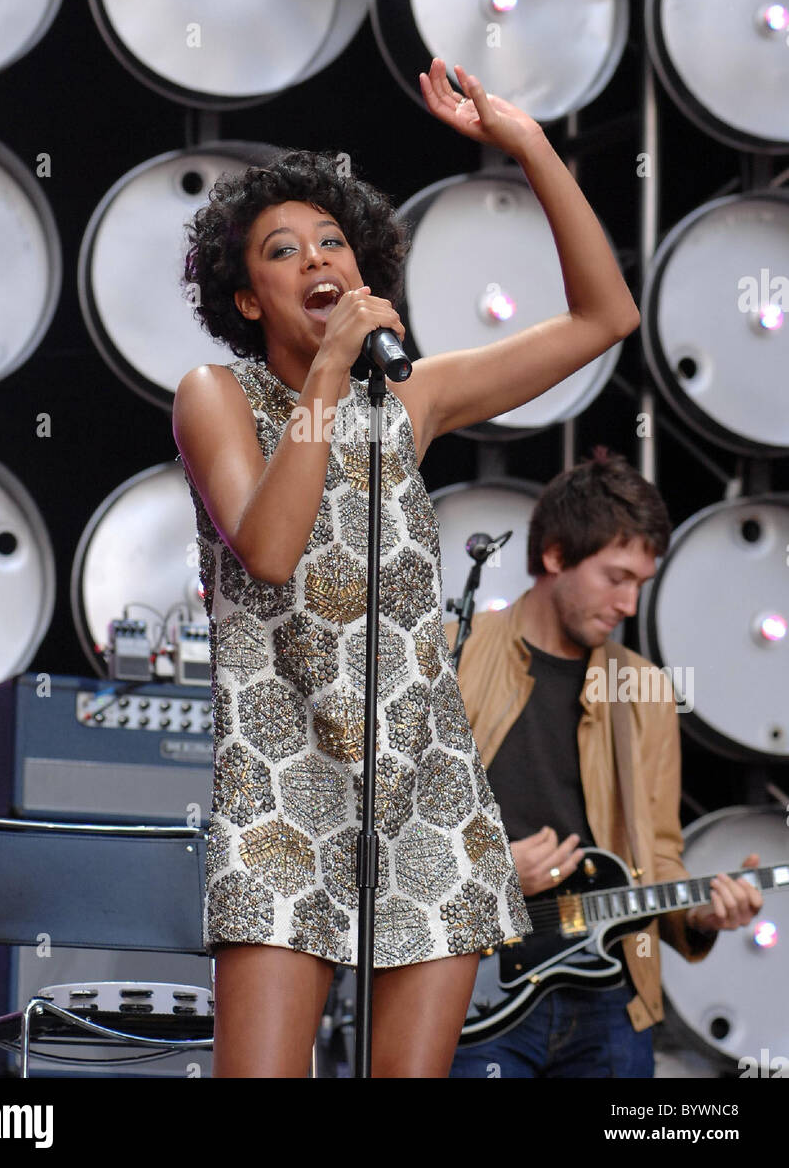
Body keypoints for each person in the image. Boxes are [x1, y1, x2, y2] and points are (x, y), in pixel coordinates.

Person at [172, 58, 640, 1078]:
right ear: (246, 298)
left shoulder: (411, 398)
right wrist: (333, 369)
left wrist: (525, 145)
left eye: (331, 241)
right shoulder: (216, 393)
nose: (314, 259)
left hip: (423, 793)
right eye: (281, 251)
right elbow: (268, 546)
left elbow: (604, 319)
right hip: (283, 793)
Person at [447, 450, 765, 1079]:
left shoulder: (644, 690)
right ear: (556, 555)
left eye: (641, 584)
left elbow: (660, 854)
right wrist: (491, 870)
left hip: (608, 999)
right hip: (475, 988)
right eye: (616, 576)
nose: (629, 602)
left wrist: (701, 912)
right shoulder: (455, 655)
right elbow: (387, 826)